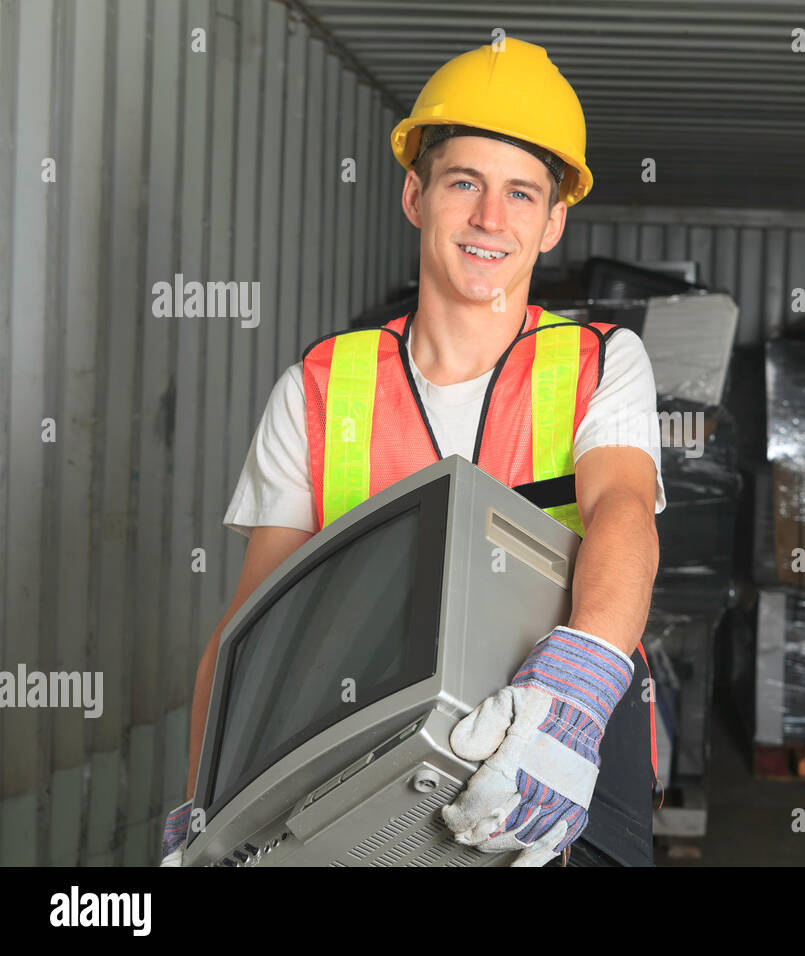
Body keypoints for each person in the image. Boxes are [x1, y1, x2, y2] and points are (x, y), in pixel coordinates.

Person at [161, 38, 664, 868]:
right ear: (415, 194)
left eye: (521, 194)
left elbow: (622, 509)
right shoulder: (320, 387)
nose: (490, 220)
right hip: (369, 735)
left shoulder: (601, 362)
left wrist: (577, 691)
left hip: (567, 721)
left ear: (553, 221)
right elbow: (249, 631)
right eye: (464, 182)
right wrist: (203, 811)